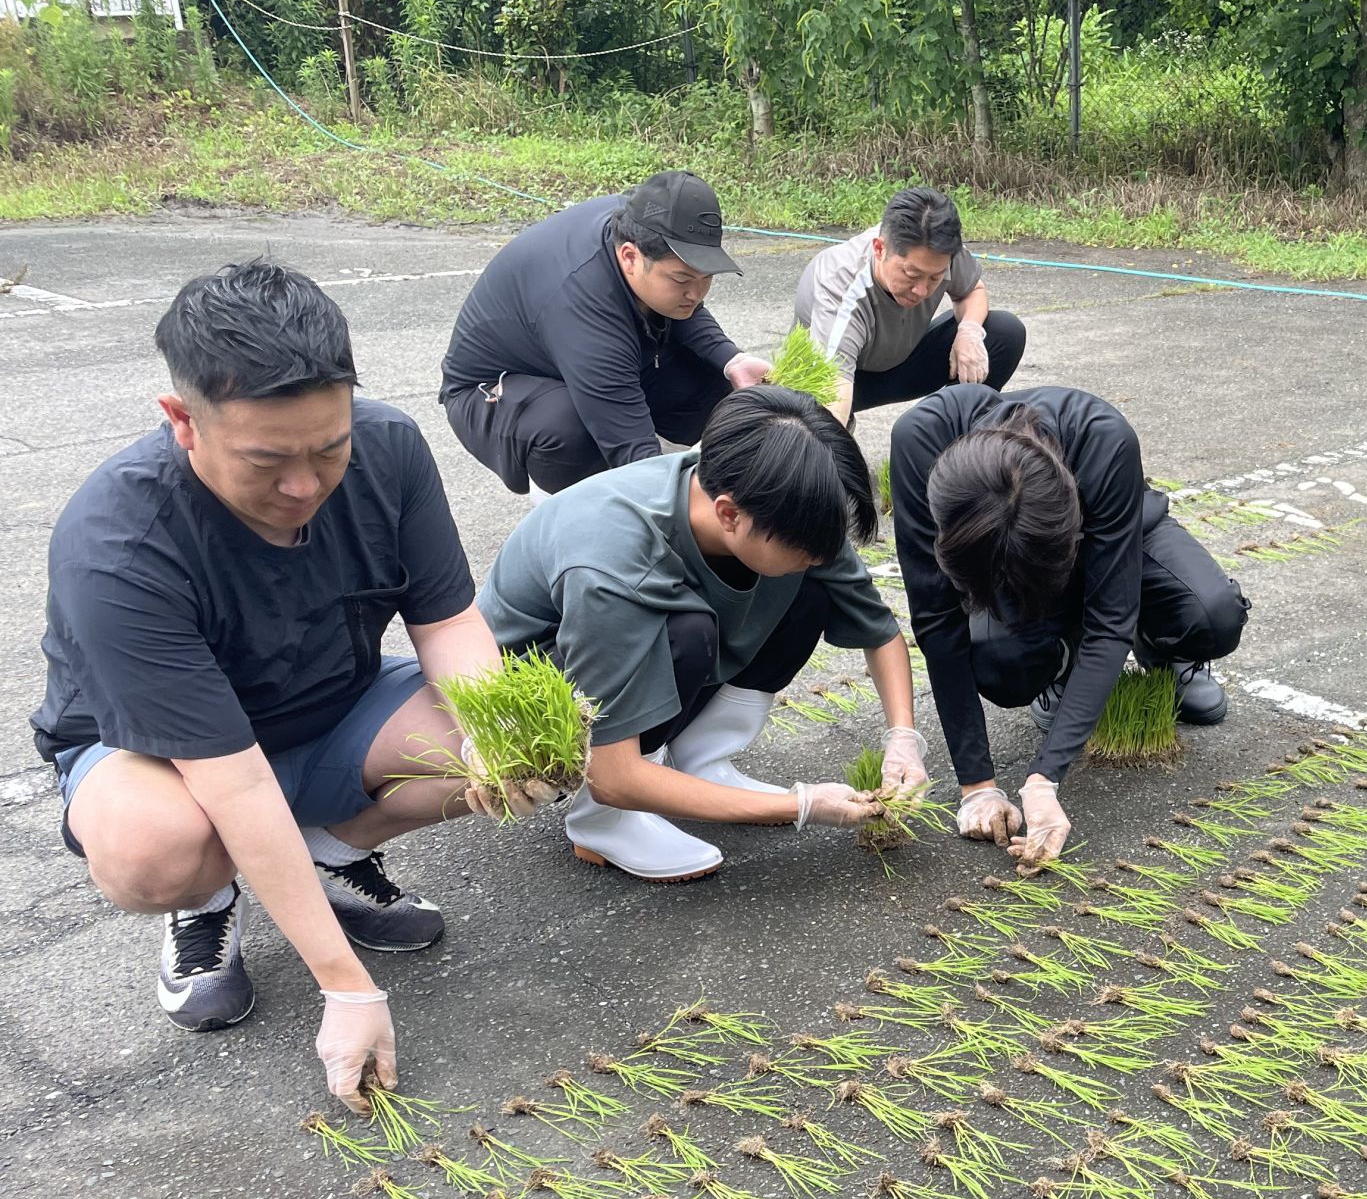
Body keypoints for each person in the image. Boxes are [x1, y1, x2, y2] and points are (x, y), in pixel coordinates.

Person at [31, 260, 536, 1108]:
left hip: (328, 705)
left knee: (514, 747)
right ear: (183, 422)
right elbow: (229, 775)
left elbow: (446, 623)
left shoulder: (390, 449)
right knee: (155, 849)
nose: (303, 486)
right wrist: (345, 986)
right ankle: (209, 897)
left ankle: (330, 852)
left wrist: (494, 733)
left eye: (328, 449)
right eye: (266, 461)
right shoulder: (118, 541)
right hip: (163, 757)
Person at [480, 385, 924, 882]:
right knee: (687, 630)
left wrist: (903, 737)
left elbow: (879, 631)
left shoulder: (779, 501)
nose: (820, 555)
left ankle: (699, 761)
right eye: (806, 547)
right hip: (545, 686)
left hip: (627, 638)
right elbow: (612, 775)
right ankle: (602, 823)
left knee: (810, 594)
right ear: (729, 514)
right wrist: (800, 805)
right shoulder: (615, 565)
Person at [890, 384, 1249, 869]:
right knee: (1001, 665)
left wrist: (1046, 778)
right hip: (1007, 557)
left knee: (1213, 616)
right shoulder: (919, 442)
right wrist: (977, 786)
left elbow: (1109, 620)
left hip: (1117, 538)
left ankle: (1164, 650)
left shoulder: (1103, 438)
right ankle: (1057, 667)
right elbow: (936, 617)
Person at [441, 171, 773, 497]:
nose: (697, 293)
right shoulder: (584, 308)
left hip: (575, 353)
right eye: (683, 280)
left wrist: (732, 359)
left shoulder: (645, 220)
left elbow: (685, 306)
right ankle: (577, 509)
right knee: (572, 433)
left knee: (718, 384)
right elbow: (635, 455)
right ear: (630, 256)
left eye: (706, 278)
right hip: (494, 390)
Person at [792, 186, 1027, 428]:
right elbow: (832, 389)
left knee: (1003, 332)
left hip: (901, 360)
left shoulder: (942, 252)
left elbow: (973, 291)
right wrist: (835, 442)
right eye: (911, 274)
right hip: (833, 379)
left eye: (935, 277)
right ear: (879, 249)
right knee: (816, 427)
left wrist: (969, 331)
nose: (922, 291)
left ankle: (955, 443)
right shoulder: (840, 284)